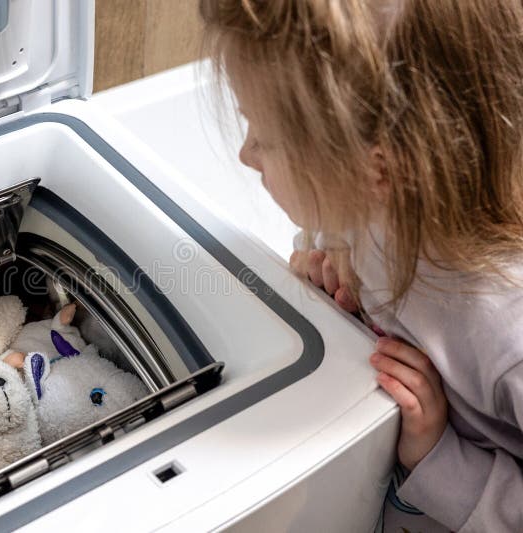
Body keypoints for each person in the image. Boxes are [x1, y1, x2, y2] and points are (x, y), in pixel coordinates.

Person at [200, 1, 523, 531]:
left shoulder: (505, 332)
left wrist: (440, 458)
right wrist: (324, 274)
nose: (245, 154)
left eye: (264, 137)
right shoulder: (370, 201)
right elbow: (326, 228)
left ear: (375, 170)